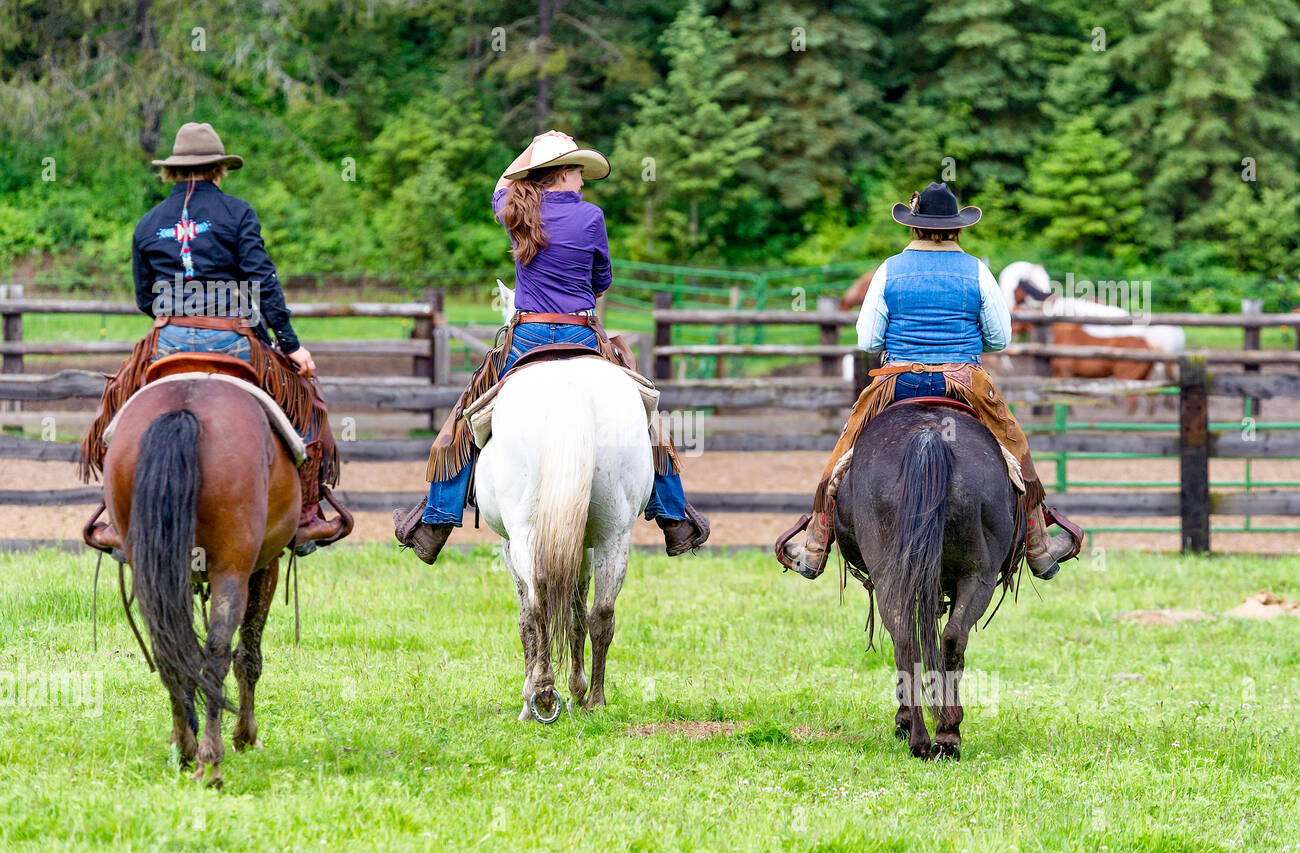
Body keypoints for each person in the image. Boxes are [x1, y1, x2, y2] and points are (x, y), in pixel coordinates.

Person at [393, 130, 710, 563]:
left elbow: (500, 187)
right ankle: (674, 519)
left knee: (465, 417)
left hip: (527, 336)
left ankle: (436, 521)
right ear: (561, 173)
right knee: (644, 415)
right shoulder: (592, 217)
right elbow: (602, 281)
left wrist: (529, 153)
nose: (583, 178)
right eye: (578, 169)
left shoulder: (516, 210)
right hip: (582, 334)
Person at [776, 181, 1082, 580]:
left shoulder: (888, 270)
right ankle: (1039, 545)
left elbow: (867, 339)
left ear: (914, 227)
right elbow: (1000, 338)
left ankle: (816, 545)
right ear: (957, 229)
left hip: (899, 381)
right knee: (1014, 446)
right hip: (963, 382)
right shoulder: (978, 270)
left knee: (845, 449)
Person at [80, 121, 346, 555]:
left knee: (114, 407)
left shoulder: (148, 223)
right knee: (306, 401)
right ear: (219, 169)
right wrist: (290, 344)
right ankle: (306, 515)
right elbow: (263, 282)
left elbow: (146, 298)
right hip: (236, 342)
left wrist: (179, 312)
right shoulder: (238, 213)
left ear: (172, 171)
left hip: (166, 344)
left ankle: (114, 514)